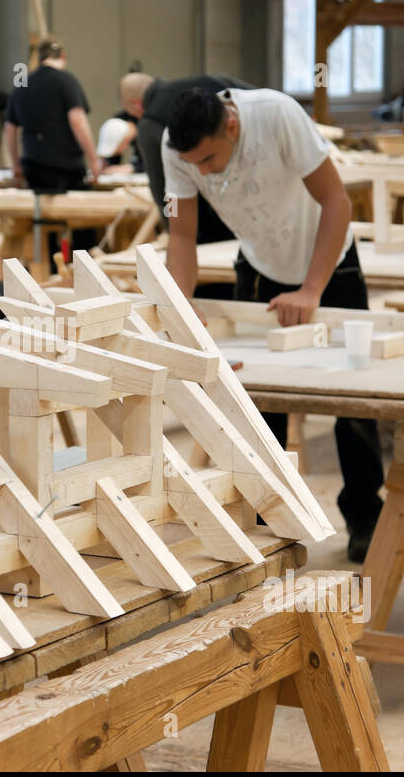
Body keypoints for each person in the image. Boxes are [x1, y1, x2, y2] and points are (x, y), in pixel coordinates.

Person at [162, 86, 383, 562]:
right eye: (194, 164)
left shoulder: (277, 115)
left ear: (231, 126)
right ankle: (268, 524)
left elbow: (337, 202)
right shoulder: (176, 148)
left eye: (208, 159)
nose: (203, 172)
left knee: (353, 399)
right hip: (260, 266)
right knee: (257, 400)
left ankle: (364, 514)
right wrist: (179, 304)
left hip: (331, 264)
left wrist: (312, 289)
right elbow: (181, 233)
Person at [119, 70, 252, 297]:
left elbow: (165, 196)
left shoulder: (150, 124)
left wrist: (173, 230)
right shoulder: (209, 79)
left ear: (137, 104)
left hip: (210, 219)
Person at [4, 38, 102, 262]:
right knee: (81, 220)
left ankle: (50, 266)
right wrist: (94, 159)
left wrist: (15, 163)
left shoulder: (22, 84)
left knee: (44, 222)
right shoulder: (66, 80)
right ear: (63, 57)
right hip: (65, 166)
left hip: (34, 166)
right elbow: (78, 121)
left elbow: (10, 129)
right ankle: (82, 268)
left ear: (39, 58)